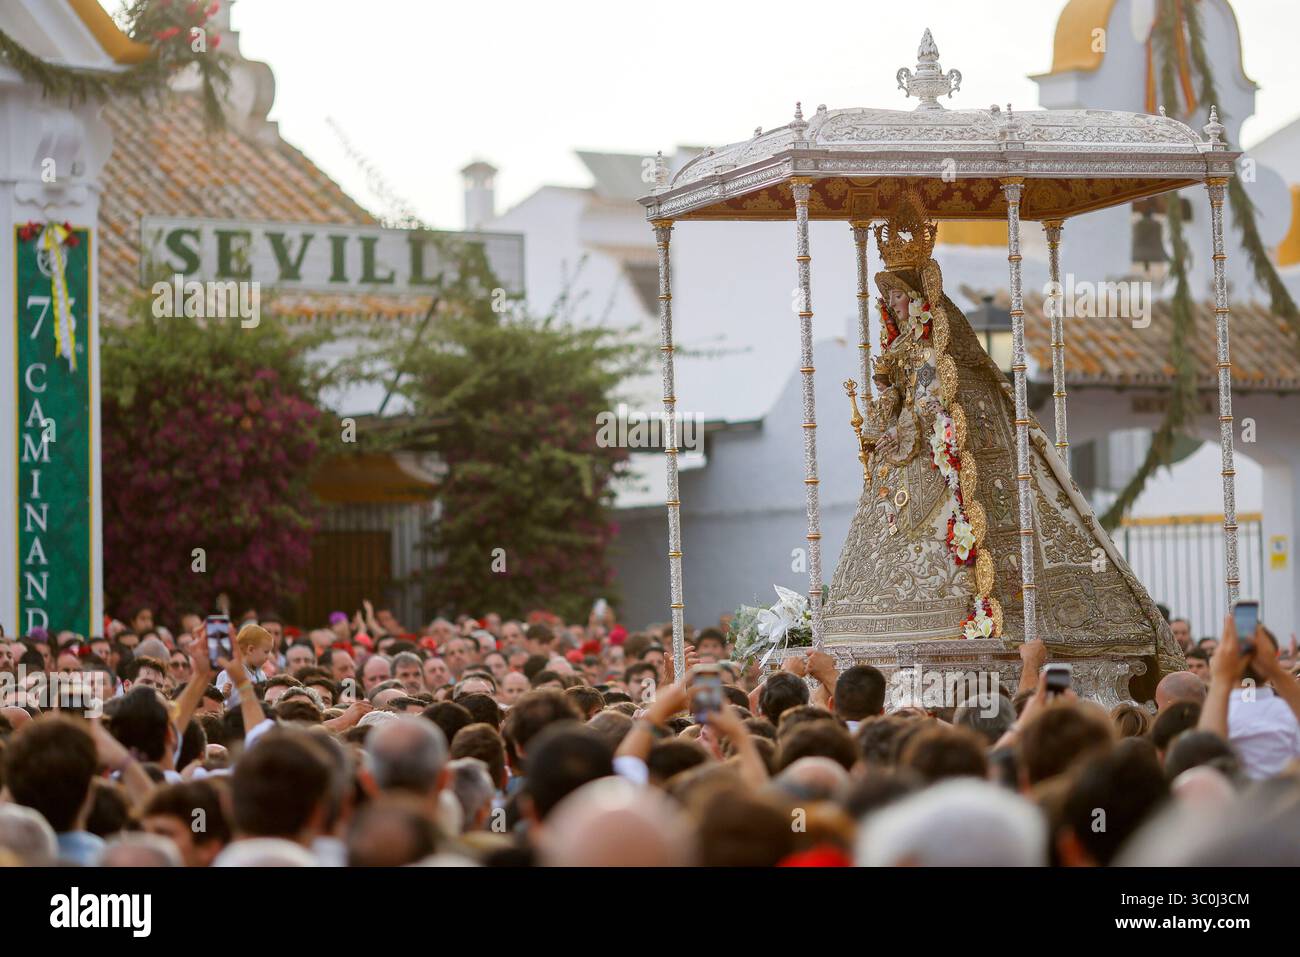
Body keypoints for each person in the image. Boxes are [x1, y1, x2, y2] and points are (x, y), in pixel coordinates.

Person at [1198, 617, 1300, 779]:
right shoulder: (1290, 713)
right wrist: (1274, 669)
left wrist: (1221, 677)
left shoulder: (1212, 715)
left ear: (1221, 659)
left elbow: (1207, 756)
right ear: (1272, 657)